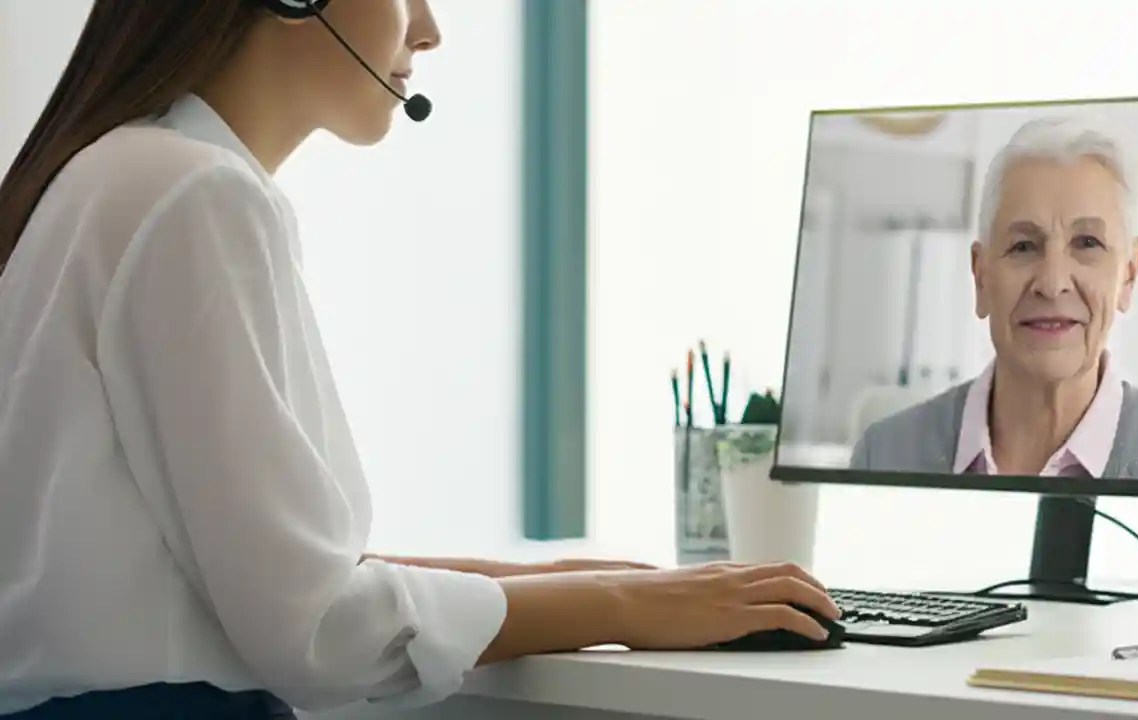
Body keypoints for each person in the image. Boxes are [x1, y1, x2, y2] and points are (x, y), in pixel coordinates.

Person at [0, 1, 841, 717]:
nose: (430, 29)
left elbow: (268, 574)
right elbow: (317, 629)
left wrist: (554, 580)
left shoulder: (121, 173)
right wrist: (618, 604)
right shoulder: (194, 194)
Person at [850, 116, 1138, 481]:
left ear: (1129, 273)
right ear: (981, 277)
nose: (1052, 284)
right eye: (1023, 246)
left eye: (1087, 243)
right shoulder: (884, 455)